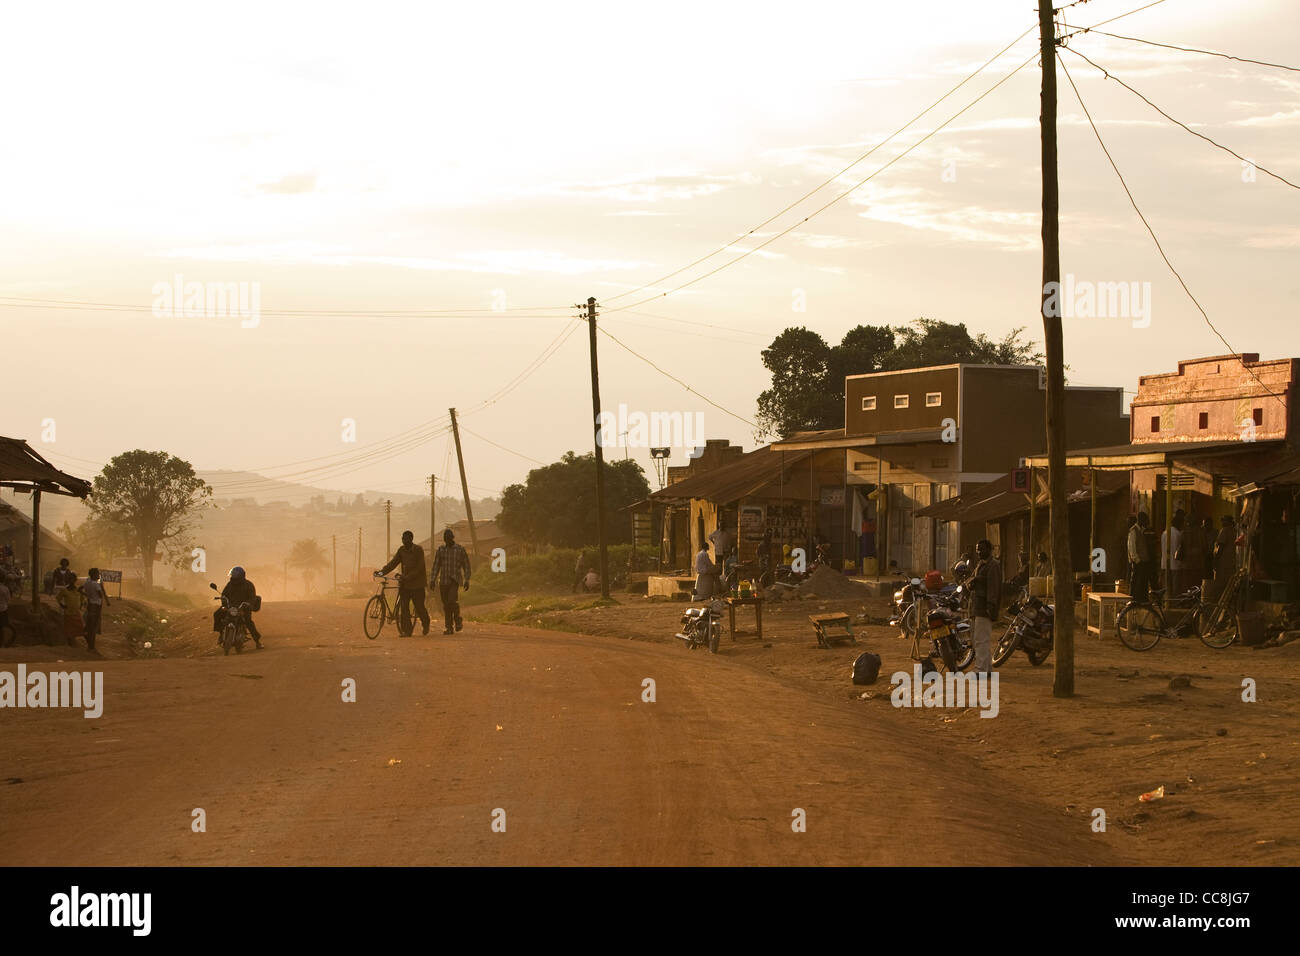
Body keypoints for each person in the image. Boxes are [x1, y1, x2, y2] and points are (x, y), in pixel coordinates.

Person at [377, 530, 430, 636]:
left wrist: (407, 577)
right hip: (405, 584)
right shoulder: (401, 550)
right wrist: (382, 571)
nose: (404, 540)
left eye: (406, 539)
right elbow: (393, 563)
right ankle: (407, 631)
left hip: (417, 585)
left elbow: (419, 568)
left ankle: (426, 622)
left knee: (419, 607)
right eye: (403, 538)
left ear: (411, 539)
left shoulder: (418, 550)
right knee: (404, 607)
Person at [430, 528, 471, 635]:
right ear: (444, 539)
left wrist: (467, 579)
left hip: (454, 580)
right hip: (443, 581)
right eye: (445, 538)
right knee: (446, 605)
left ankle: (457, 619)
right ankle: (449, 627)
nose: (447, 540)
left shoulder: (460, 550)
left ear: (452, 538)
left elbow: (466, 565)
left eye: (449, 538)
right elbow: (436, 566)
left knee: (451, 601)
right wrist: (432, 580)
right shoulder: (441, 550)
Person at [970, 539, 1001, 674]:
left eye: (981, 549)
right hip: (977, 606)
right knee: (982, 639)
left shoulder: (993, 566)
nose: (979, 552)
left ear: (989, 550)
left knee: (981, 640)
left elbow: (993, 588)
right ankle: (986, 669)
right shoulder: (980, 565)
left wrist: (990, 606)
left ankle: (981, 670)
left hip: (984, 608)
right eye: (977, 549)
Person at [219, 566, 262, 649]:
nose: (234, 577)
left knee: (248, 622)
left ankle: (257, 642)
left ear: (241, 576)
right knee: (218, 614)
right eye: (233, 575)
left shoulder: (248, 585)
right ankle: (221, 635)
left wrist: (248, 604)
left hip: (244, 608)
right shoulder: (229, 584)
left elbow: (252, 597)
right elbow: (224, 595)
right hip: (232, 607)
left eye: (235, 575)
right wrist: (224, 603)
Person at [80, 567, 110, 652]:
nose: (98, 575)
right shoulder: (95, 584)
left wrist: (87, 595)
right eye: (97, 573)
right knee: (93, 627)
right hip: (96, 606)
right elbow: (100, 594)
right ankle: (91, 647)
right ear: (93, 575)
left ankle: (90, 645)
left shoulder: (87, 583)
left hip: (90, 604)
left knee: (89, 626)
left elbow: (80, 589)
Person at [1127, 512, 1153, 602]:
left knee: (1142, 583)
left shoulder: (1141, 531)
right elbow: (1132, 548)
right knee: (1136, 583)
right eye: (1146, 520)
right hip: (1138, 563)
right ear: (1141, 520)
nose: (1147, 522)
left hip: (1143, 562)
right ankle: (1134, 600)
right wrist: (1137, 560)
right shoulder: (1133, 531)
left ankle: (1141, 600)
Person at [1210, 515, 1237, 601]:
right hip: (1231, 561)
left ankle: (1219, 602)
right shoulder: (1234, 531)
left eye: (1224, 521)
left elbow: (1221, 546)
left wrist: (1215, 560)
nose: (1222, 523)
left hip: (1223, 562)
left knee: (1220, 584)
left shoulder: (1225, 531)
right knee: (1228, 584)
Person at [1160, 512, 1184, 602]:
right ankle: (1174, 602)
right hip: (1176, 565)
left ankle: (1166, 601)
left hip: (1165, 564)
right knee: (1175, 587)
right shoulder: (1178, 534)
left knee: (1166, 586)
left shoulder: (1164, 533)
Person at [58, 582, 85, 647]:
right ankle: (70, 643)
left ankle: (74, 641)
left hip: (76, 612)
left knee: (80, 627)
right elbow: (58, 598)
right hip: (68, 612)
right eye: (70, 579)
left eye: (73, 580)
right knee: (69, 628)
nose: (72, 581)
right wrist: (62, 605)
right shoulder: (64, 590)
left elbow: (82, 598)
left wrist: (81, 604)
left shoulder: (78, 590)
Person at [0, 577, 11, 647]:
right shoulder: (5, 589)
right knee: (3, 626)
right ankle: (2, 643)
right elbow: (8, 599)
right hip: (3, 609)